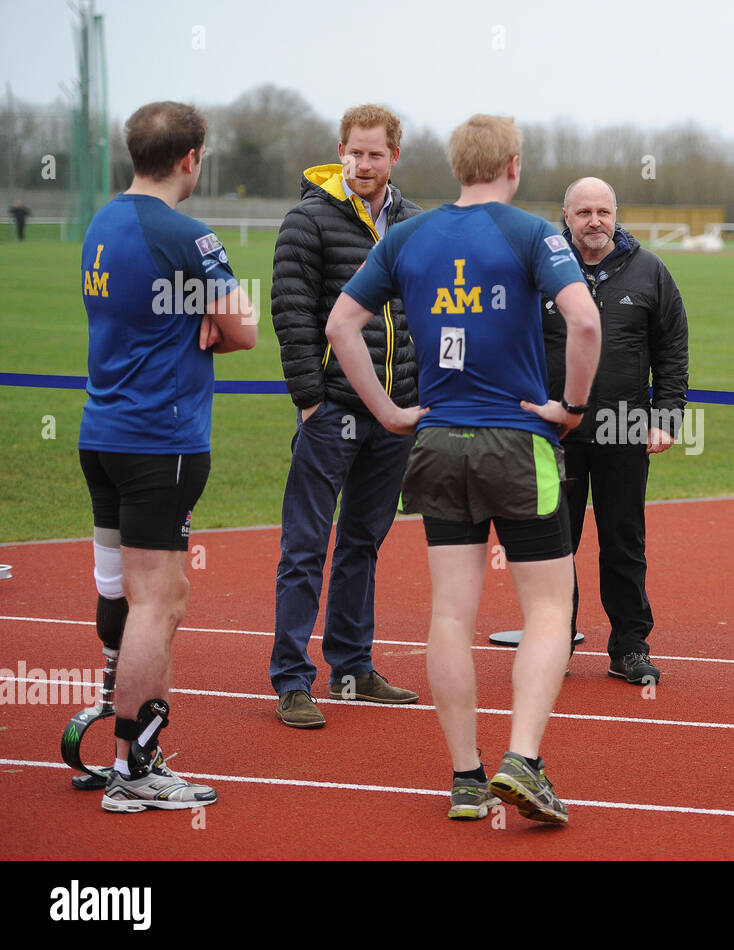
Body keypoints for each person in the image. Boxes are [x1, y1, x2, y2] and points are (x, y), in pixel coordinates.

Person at [325, 114, 601, 823]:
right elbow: (587, 321)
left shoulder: (409, 235)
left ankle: (466, 778)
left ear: (455, 166)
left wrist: (388, 410)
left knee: (451, 612)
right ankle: (524, 758)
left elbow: (339, 325)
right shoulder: (531, 231)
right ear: (513, 164)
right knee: (548, 606)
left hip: (437, 442)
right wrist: (570, 406)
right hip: (517, 439)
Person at [76, 100, 257, 811]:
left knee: (122, 593)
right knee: (162, 600)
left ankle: (113, 733)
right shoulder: (185, 233)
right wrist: (208, 315)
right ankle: (136, 766)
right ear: (192, 158)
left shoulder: (100, 220)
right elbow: (242, 329)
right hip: (162, 439)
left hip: (102, 432)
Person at [268, 105, 423, 728]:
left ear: (394, 157)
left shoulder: (412, 224)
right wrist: (311, 398)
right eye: (354, 153)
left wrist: (411, 398)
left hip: (393, 415)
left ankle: (353, 668)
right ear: (340, 151)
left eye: (375, 154)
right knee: (306, 545)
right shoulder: (307, 220)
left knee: (363, 541)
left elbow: (422, 315)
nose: (363, 164)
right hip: (331, 410)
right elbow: (291, 312)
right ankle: (291, 679)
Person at [541, 177, 689, 686]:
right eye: (583, 212)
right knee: (555, 544)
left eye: (603, 211)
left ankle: (629, 646)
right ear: (566, 215)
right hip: (556, 430)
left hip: (623, 426)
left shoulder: (650, 270)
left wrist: (667, 416)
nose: (594, 221)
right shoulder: (543, 269)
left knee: (623, 541)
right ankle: (554, 641)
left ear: (616, 214)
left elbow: (672, 348)